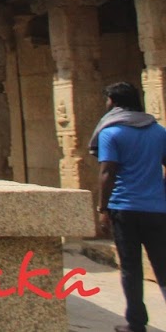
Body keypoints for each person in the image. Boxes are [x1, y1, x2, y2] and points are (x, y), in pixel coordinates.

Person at [93, 80, 166, 332]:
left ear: (113, 102)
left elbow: (107, 172)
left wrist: (102, 209)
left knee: (131, 269)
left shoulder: (110, 132)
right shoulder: (158, 131)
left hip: (124, 208)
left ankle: (136, 324)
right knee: (163, 266)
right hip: (157, 209)